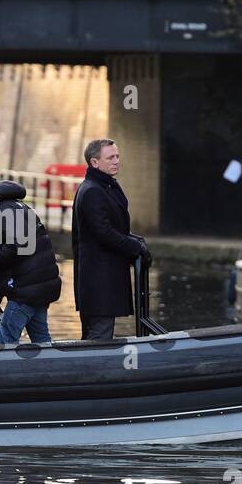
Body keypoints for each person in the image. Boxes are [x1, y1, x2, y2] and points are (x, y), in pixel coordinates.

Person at [0, 170, 62, 345]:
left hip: (24, 291)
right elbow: (3, 265)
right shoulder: (15, 206)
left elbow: (15, 248)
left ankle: (0, 372)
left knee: (5, 343)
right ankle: (52, 369)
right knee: (42, 341)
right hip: (40, 287)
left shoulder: (1, 212)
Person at [72, 138, 149, 341]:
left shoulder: (104, 186)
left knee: (97, 334)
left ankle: (88, 369)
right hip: (99, 280)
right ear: (94, 162)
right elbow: (103, 232)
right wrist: (135, 247)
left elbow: (115, 228)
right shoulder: (92, 191)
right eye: (110, 157)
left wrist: (136, 241)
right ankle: (92, 371)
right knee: (99, 336)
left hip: (103, 278)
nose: (116, 161)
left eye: (117, 156)